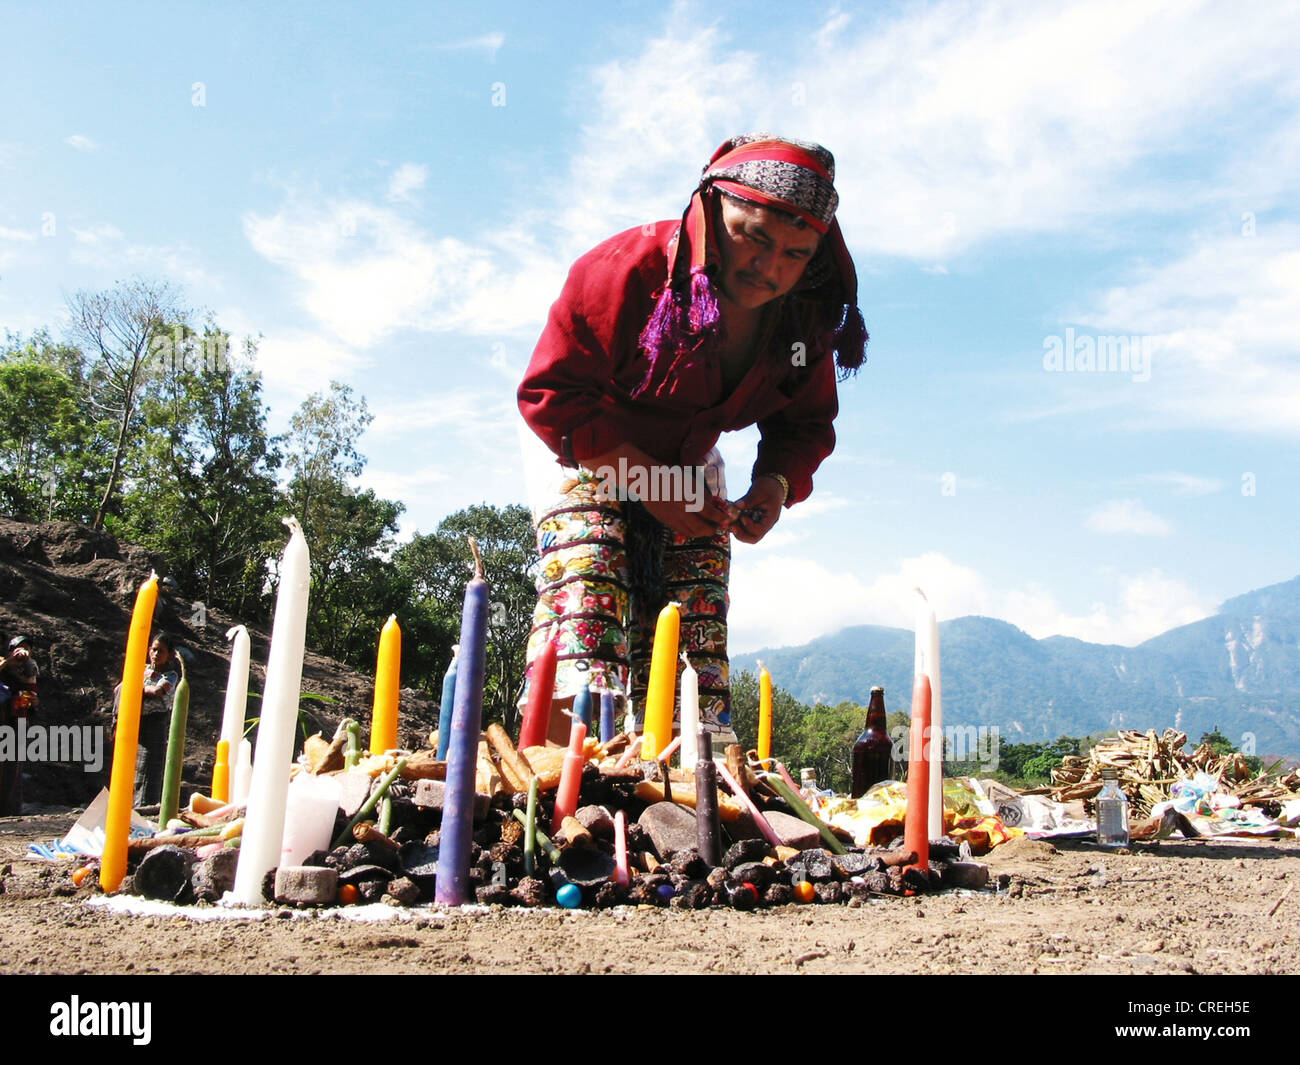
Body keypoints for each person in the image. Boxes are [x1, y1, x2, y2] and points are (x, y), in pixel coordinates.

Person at [517, 133, 867, 745]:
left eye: (794, 252)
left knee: (692, 633)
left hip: (688, 461)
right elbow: (552, 396)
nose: (769, 268)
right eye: (752, 236)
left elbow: (804, 424)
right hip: (585, 449)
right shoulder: (625, 270)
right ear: (708, 208)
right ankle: (551, 786)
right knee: (588, 591)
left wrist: (775, 485)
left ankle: (686, 799)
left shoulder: (800, 319)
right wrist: (646, 484)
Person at [112, 632, 180, 808]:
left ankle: (145, 807)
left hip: (155, 722)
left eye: (161, 651)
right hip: (135, 721)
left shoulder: (171, 676)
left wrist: (136, 687)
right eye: (154, 650)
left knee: (149, 767)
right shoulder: (141, 670)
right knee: (129, 765)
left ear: (170, 655)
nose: (156, 654)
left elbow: (158, 692)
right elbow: (119, 689)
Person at [0, 635, 40, 816]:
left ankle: (10, 809)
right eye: (19, 648)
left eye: (27, 649)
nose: (23, 653)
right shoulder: (4, 664)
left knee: (12, 768)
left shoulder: (29, 667)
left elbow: (32, 695)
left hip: (16, 724)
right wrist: (10, 661)